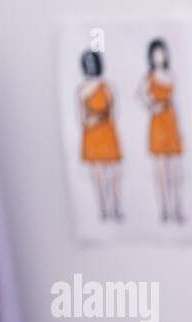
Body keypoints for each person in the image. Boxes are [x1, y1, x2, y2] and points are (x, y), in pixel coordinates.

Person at [138, 38, 184, 223]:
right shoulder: (148, 77)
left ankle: (176, 209)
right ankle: (164, 210)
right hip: (157, 124)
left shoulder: (171, 74)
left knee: (175, 171)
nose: (159, 57)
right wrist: (151, 106)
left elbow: (178, 100)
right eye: (155, 53)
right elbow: (140, 95)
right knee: (161, 171)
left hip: (170, 122)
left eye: (161, 53)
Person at [76, 49, 122, 221]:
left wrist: (100, 117)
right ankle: (103, 209)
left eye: (92, 62)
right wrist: (92, 120)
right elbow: (81, 118)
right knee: (98, 176)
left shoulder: (106, 87)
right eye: (87, 62)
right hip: (92, 136)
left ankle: (115, 207)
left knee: (113, 174)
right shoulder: (82, 90)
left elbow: (113, 111)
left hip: (107, 134)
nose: (90, 66)